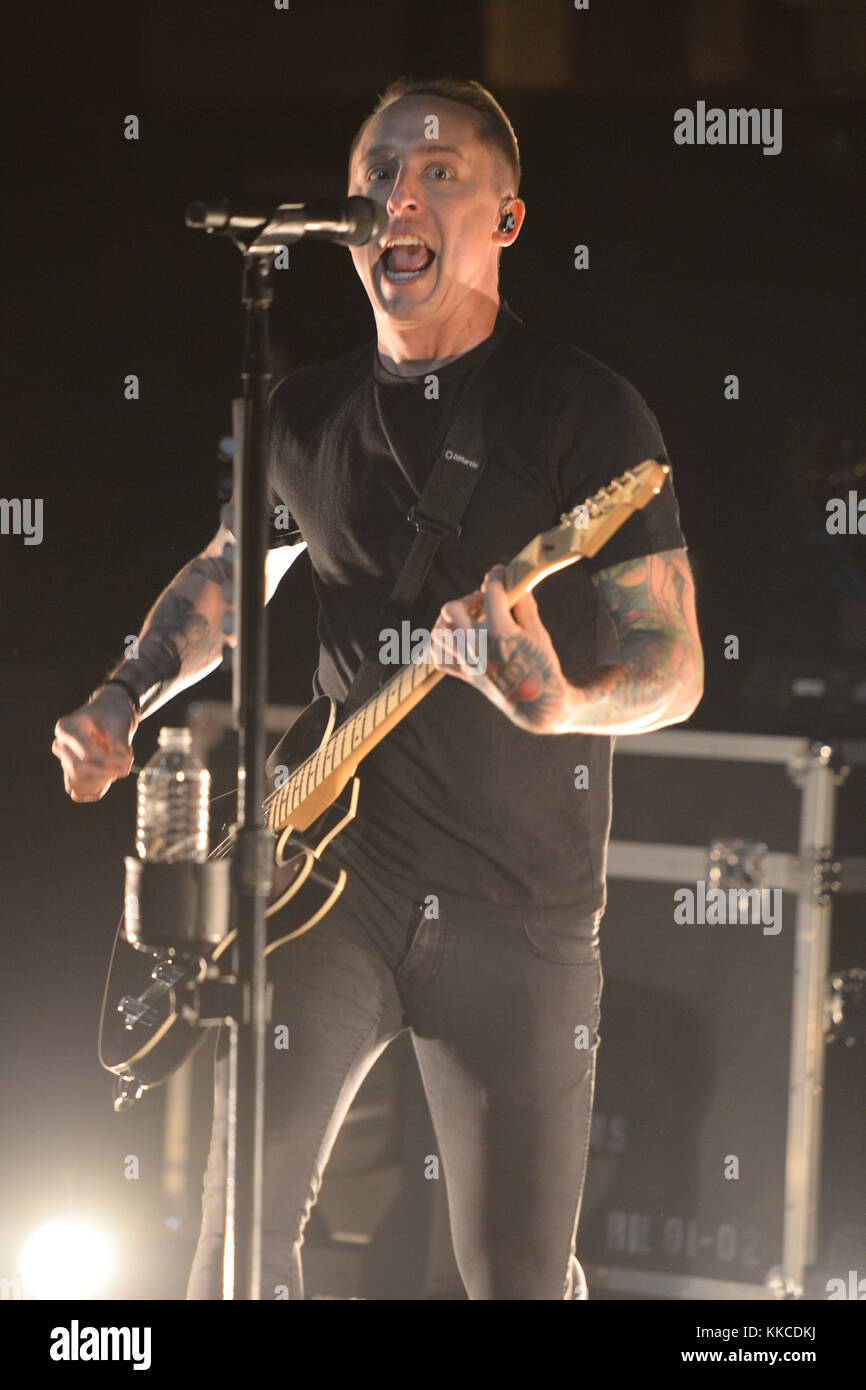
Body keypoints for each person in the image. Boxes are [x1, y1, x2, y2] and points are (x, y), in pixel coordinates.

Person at [52, 76, 704, 1300]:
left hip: (520, 899)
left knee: (515, 1275)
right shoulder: (305, 412)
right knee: (238, 1243)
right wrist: (122, 696)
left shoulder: (581, 410)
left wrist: (559, 700)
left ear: (506, 221)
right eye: (375, 173)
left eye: (436, 171)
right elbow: (227, 577)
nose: (395, 193)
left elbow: (673, 669)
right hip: (330, 879)